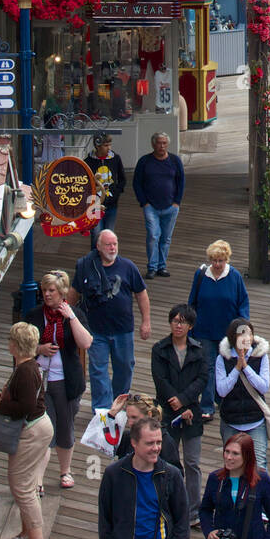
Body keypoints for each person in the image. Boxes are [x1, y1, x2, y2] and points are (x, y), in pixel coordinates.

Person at [98, 416, 189, 539]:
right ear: (134, 443)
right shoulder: (114, 474)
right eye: (149, 443)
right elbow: (105, 518)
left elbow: (182, 518)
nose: (156, 448)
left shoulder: (171, 475)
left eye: (158, 442)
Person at [68, 230, 150, 411]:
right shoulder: (85, 267)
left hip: (123, 329)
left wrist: (146, 321)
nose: (113, 248)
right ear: (98, 246)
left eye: (115, 244)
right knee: (98, 371)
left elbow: (141, 294)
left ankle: (118, 404)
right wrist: (68, 317)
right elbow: (74, 292)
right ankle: (102, 410)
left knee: (125, 367)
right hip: (96, 330)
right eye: (108, 244)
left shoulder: (128, 267)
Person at [0, 322, 54, 539]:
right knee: (24, 482)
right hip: (39, 426)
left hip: (32, 430)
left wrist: (1, 404)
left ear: (15, 346)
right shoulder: (28, 366)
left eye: (10, 341)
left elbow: (25, 406)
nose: (8, 344)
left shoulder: (26, 371)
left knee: (22, 485)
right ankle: (27, 532)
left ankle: (36, 538)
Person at [26, 271, 92, 490]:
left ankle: (65, 472)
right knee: (43, 430)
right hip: (41, 381)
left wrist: (71, 317)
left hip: (66, 381)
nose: (47, 294)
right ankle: (38, 480)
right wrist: (39, 348)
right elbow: (22, 347)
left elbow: (86, 343)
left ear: (62, 292)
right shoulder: (35, 315)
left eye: (51, 290)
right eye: (44, 290)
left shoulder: (74, 314)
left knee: (65, 428)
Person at [151, 305, 206, 527]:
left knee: (192, 463)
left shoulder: (198, 350)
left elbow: (202, 379)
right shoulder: (160, 349)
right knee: (168, 462)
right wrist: (175, 400)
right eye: (175, 320)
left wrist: (184, 399)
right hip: (167, 412)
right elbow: (160, 379)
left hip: (192, 411)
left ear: (190, 326)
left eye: (183, 321)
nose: (178, 325)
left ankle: (194, 511)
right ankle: (169, 508)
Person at [188, 239, 251, 421]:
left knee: (226, 367)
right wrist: (190, 328)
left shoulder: (235, 277)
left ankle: (223, 400)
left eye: (220, 261)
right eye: (214, 260)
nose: (217, 264)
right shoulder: (201, 275)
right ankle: (206, 406)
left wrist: (242, 328)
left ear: (226, 260)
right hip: (204, 330)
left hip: (227, 333)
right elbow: (192, 302)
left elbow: (243, 303)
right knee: (207, 367)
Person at [216, 317, 270, 468]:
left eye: (249, 334)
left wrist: (246, 367)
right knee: (232, 464)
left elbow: (263, 387)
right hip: (231, 421)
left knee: (259, 465)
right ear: (234, 338)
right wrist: (236, 368)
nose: (246, 339)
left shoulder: (260, 356)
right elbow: (221, 390)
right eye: (242, 335)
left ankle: (257, 492)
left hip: (255, 420)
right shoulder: (223, 358)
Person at [132, 132, 185, 279]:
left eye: (164, 143)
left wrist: (177, 202)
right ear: (153, 144)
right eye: (159, 143)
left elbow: (181, 182)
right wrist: (144, 202)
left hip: (170, 206)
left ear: (167, 144)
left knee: (166, 238)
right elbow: (137, 182)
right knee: (153, 235)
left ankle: (162, 266)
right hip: (151, 206)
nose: (161, 146)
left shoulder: (175, 161)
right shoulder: (144, 161)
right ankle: (152, 266)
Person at [84, 135, 127, 245]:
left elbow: (122, 179)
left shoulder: (116, 159)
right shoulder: (88, 162)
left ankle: (106, 260)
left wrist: (116, 193)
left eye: (109, 145)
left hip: (111, 205)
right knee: (96, 234)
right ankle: (95, 260)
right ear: (97, 146)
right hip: (94, 206)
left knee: (108, 234)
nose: (109, 148)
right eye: (105, 145)